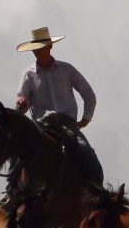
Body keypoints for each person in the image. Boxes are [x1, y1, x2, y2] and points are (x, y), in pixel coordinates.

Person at [14, 26, 103, 185]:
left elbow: (89, 95)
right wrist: (21, 102)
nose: (38, 52)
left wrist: (86, 119)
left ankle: (98, 190)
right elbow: (22, 100)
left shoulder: (66, 69)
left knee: (87, 153)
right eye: (35, 49)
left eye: (41, 48)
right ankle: (9, 195)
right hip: (41, 126)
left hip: (66, 125)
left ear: (50, 47)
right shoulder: (28, 74)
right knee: (17, 155)